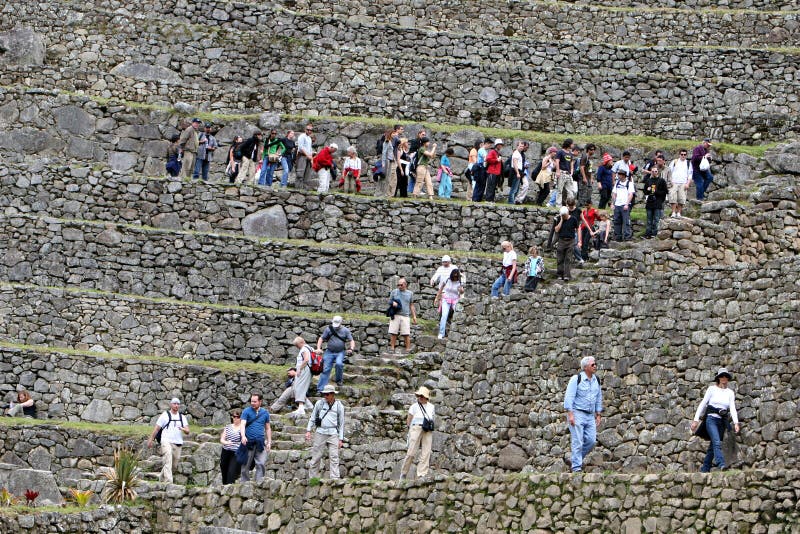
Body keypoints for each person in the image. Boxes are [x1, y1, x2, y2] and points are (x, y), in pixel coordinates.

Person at [691, 368, 740, 472]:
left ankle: (705, 469)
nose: (724, 378)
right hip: (711, 419)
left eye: (726, 376)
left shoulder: (730, 393)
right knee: (717, 442)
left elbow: (732, 408)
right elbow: (703, 404)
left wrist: (736, 423)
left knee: (713, 446)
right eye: (722, 376)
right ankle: (721, 464)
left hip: (722, 421)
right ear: (718, 378)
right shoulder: (712, 389)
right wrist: (696, 420)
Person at [563, 356, 603, 473]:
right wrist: (570, 414)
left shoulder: (597, 380)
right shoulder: (576, 379)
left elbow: (599, 397)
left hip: (590, 415)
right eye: (592, 365)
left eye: (595, 364)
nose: (595, 366)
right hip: (577, 413)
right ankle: (576, 468)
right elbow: (569, 397)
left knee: (591, 441)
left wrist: (598, 414)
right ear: (585, 367)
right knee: (578, 441)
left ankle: (576, 459)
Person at [305, 384, 345, 480]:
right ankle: (312, 478)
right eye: (324, 394)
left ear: (332, 394)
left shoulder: (339, 406)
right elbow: (313, 417)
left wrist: (341, 438)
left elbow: (341, 423)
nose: (325, 396)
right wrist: (308, 430)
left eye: (327, 394)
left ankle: (335, 478)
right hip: (320, 432)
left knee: (334, 456)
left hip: (333, 433)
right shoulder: (319, 403)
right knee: (316, 456)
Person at [147, 397, 189, 484]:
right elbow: (157, 429)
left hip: (178, 443)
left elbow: (188, 431)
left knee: (173, 465)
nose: (176, 405)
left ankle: (161, 478)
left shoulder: (182, 417)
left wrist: (183, 429)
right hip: (166, 441)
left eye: (178, 404)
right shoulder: (165, 415)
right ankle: (169, 483)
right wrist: (151, 439)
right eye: (174, 403)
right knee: (168, 458)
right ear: (171, 405)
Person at [399, 386, 436, 481]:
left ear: (426, 397)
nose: (420, 397)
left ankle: (421, 474)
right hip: (416, 427)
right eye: (419, 395)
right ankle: (403, 473)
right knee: (411, 452)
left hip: (427, 429)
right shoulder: (414, 406)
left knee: (426, 452)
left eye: (422, 396)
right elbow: (409, 419)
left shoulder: (431, 407)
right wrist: (410, 429)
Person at [315, 316, 355, 392]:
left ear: (341, 323)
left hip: (340, 352)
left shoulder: (345, 330)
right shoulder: (328, 329)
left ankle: (339, 380)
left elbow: (351, 340)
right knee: (326, 369)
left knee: (339, 364)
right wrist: (318, 348)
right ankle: (320, 389)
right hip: (329, 351)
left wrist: (351, 348)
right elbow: (321, 338)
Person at [239, 393, 272, 483]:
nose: (252, 403)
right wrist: (243, 436)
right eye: (251, 401)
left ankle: (259, 483)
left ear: (260, 402)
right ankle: (244, 484)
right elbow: (242, 424)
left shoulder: (265, 413)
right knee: (245, 465)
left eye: (255, 401)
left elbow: (268, 428)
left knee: (261, 463)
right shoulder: (246, 411)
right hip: (248, 442)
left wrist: (269, 442)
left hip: (260, 443)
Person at [388, 277, 418, 352]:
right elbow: (389, 301)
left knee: (406, 333)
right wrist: (392, 303)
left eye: (401, 285)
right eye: (398, 285)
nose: (399, 286)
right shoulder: (394, 292)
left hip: (405, 315)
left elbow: (411, 305)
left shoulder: (410, 293)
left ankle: (408, 349)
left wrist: (414, 316)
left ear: (405, 284)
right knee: (393, 332)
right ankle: (392, 348)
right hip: (395, 314)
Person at [434, 268, 464, 339]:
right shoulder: (447, 279)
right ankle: (441, 333)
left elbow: (461, 292)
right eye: (454, 276)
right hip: (446, 299)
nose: (455, 277)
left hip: (455, 300)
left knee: (458, 313)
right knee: (444, 315)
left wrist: (461, 290)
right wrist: (437, 298)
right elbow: (441, 289)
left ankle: (457, 332)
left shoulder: (459, 282)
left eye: (456, 276)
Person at [643, 157, 668, 238]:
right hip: (649, 202)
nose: (654, 173)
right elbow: (645, 192)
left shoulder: (661, 181)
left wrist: (657, 192)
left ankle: (655, 234)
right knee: (649, 219)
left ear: (658, 172)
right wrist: (647, 190)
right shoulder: (648, 181)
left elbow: (665, 191)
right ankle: (648, 234)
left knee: (656, 220)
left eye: (655, 171)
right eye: (653, 171)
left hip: (658, 202)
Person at [290, 337, 314, 418]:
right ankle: (309, 406)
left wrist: (299, 368)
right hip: (308, 370)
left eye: (297, 345)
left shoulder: (304, 349)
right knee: (300, 387)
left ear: (301, 342)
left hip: (304, 370)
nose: (297, 347)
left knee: (299, 387)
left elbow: (306, 359)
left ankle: (301, 407)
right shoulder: (310, 348)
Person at [554, 206, 580, 281]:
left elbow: (578, 229)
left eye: (564, 215)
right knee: (560, 258)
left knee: (568, 258)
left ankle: (567, 275)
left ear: (568, 213)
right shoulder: (559, 218)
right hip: (561, 240)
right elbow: (556, 230)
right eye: (562, 215)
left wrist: (578, 240)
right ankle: (559, 274)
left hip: (570, 240)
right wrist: (561, 220)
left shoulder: (573, 219)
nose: (564, 217)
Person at [219, 409, 242, 485]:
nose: (235, 418)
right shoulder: (228, 427)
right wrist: (226, 442)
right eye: (234, 416)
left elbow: (244, 439)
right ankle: (224, 485)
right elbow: (222, 438)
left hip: (235, 452)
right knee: (223, 467)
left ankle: (229, 486)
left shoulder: (242, 428)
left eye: (237, 417)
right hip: (226, 450)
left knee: (231, 470)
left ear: (240, 418)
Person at [611, 169, 635, 241]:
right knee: (617, 221)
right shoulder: (617, 183)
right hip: (617, 205)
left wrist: (627, 204)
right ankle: (618, 236)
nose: (619, 176)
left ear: (624, 175)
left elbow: (631, 194)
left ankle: (627, 236)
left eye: (620, 174)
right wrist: (613, 203)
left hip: (625, 205)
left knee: (626, 221)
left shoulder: (629, 183)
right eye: (618, 174)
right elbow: (614, 194)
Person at [667, 149, 692, 218]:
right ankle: (673, 212)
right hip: (674, 182)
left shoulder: (688, 163)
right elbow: (669, 172)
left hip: (683, 182)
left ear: (686, 155)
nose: (683, 156)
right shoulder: (674, 162)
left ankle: (679, 212)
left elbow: (690, 174)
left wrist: (688, 184)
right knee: (673, 198)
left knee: (682, 198)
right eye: (682, 154)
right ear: (679, 155)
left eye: (684, 154)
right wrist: (670, 181)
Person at [554, 138, 575, 208]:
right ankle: (558, 205)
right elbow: (557, 161)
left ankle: (570, 205)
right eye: (572, 144)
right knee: (560, 190)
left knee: (570, 190)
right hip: (561, 172)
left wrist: (572, 171)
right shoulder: (560, 152)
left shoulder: (570, 153)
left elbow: (571, 162)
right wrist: (557, 171)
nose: (573, 145)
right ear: (569, 144)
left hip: (568, 174)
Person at [295, 124, 315, 189]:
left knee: (307, 174)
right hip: (302, 156)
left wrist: (311, 158)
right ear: (305, 130)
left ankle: (304, 189)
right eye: (308, 130)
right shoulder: (302, 136)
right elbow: (301, 147)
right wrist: (307, 155)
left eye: (311, 130)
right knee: (300, 173)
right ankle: (298, 188)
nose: (309, 131)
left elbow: (310, 149)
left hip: (308, 157)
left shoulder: (309, 138)